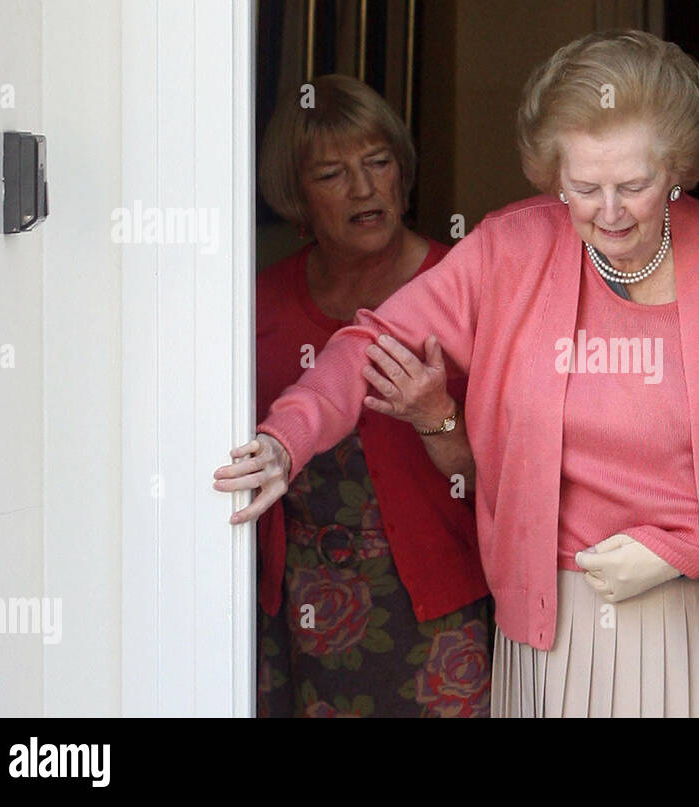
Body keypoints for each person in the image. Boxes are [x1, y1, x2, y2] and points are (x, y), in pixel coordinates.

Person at [216, 31, 699, 717]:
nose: (608, 211)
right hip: (556, 632)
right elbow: (371, 340)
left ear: (679, 168)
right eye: (583, 186)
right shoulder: (512, 249)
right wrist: (287, 438)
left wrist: (688, 552)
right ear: (551, 174)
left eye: (634, 185)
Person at [247, 74, 492, 717]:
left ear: (402, 175)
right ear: (296, 195)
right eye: (331, 174)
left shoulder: (463, 285)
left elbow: (508, 477)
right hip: (298, 609)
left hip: (438, 605)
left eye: (378, 163)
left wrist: (438, 419)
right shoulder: (255, 304)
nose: (364, 188)